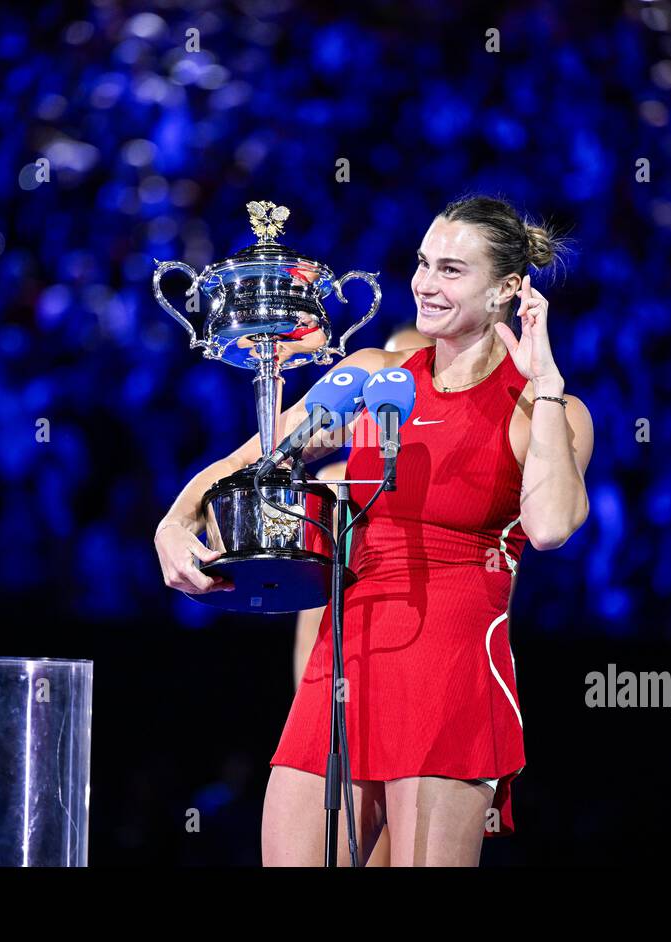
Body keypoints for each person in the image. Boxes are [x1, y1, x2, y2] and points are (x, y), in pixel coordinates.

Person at [155, 195, 593, 866]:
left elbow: (553, 525)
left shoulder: (542, 409)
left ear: (509, 289)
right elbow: (255, 461)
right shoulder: (368, 377)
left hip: (449, 669)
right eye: (423, 263)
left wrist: (549, 383)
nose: (425, 283)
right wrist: (175, 519)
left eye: (451, 269)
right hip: (346, 660)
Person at [290, 324, 433, 869]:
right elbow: (313, 617)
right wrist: (318, 712)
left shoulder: (454, 494)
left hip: (427, 692)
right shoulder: (333, 483)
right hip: (349, 692)